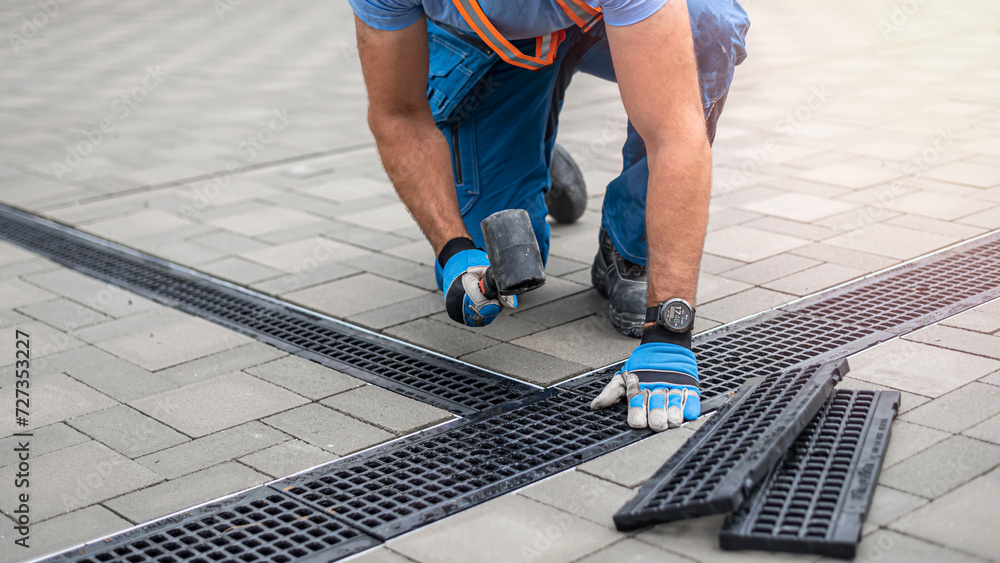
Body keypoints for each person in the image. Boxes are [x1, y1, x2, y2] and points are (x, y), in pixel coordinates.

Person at [348, 0, 749, 431]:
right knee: (502, 260)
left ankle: (630, 245)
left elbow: (674, 132)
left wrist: (669, 333)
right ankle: (525, 152)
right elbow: (399, 114)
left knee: (707, 28)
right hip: (491, 46)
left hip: (604, 19)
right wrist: (454, 248)